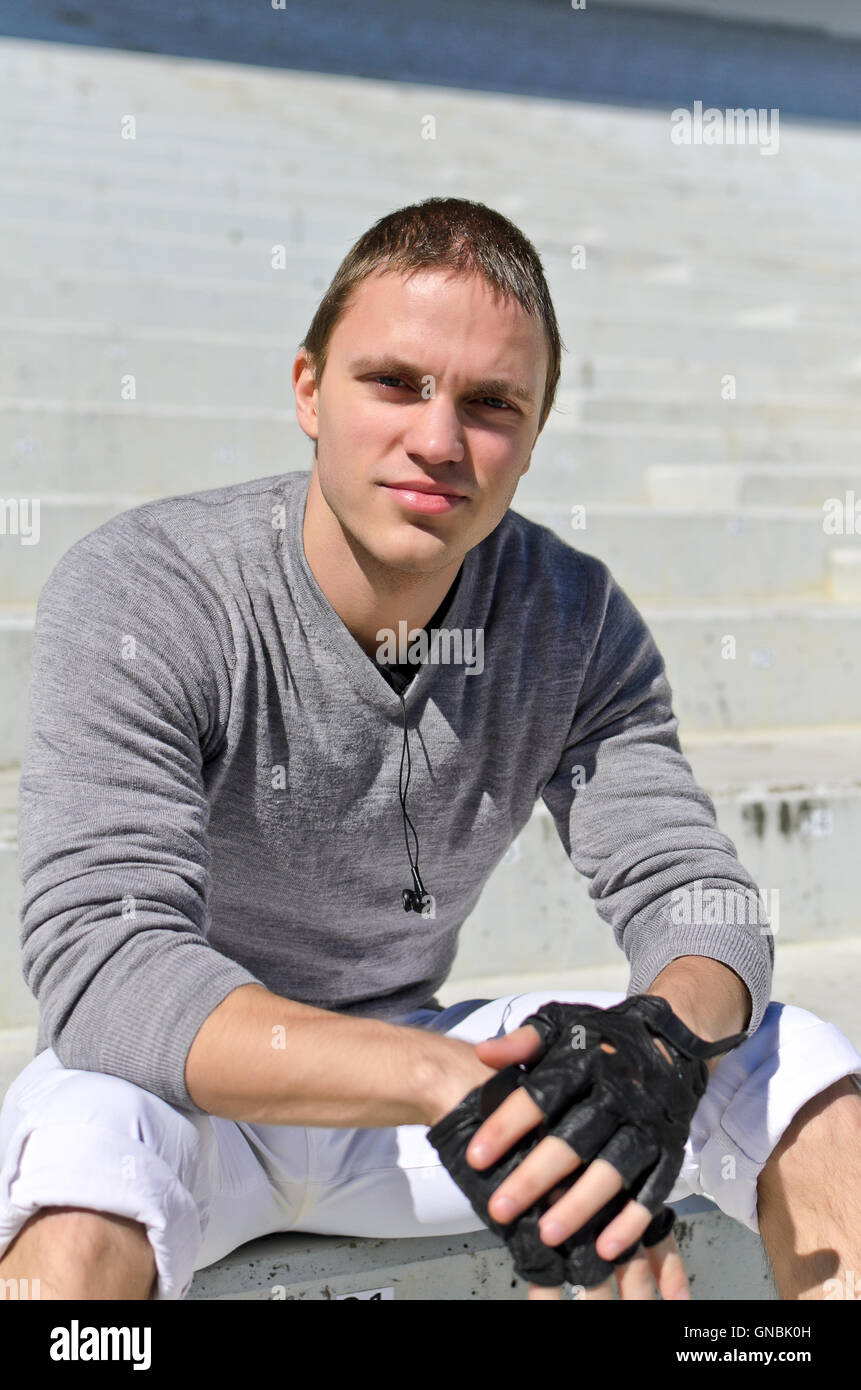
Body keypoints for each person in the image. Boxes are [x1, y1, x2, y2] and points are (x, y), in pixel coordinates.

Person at [1, 197, 859, 1302]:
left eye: (491, 404)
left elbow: (692, 892)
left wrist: (643, 1052)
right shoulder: (150, 587)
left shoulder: (571, 615)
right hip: (189, 1095)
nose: (440, 441)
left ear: (534, 438)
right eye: (394, 382)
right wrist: (443, 1079)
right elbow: (108, 968)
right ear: (309, 389)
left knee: (793, 1061)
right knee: (81, 1173)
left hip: (414, 1102)